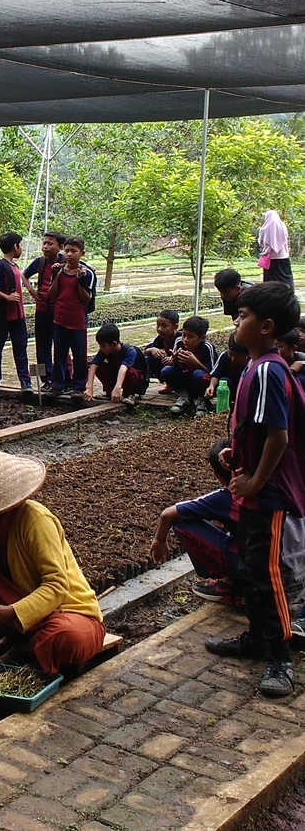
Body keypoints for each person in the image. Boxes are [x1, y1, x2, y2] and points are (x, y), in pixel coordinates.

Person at [205, 281, 305, 698]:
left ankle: (280, 657)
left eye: (242, 315)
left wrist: (255, 479)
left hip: (269, 492)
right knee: (250, 567)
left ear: (266, 326)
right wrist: (235, 452)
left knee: (267, 574)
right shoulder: (254, 366)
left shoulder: (266, 369)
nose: (234, 319)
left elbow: (278, 437)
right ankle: (257, 638)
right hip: (254, 486)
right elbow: (257, 431)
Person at [0, 443, 105, 675]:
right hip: (26, 613)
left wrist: (12, 612)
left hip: (68, 612)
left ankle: (22, 649)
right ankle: (17, 638)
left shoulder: (35, 521)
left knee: (68, 637)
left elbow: (57, 586)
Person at [150, 437, 305, 613]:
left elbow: (168, 514)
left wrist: (159, 540)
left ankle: (235, 587)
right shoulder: (285, 484)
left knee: (183, 520)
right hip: (300, 573)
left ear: (216, 473)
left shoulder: (232, 497)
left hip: (272, 580)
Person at [46, 236, 95, 399]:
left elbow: (86, 299)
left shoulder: (86, 273)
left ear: (82, 253)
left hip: (77, 320)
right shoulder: (58, 270)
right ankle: (57, 385)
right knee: (59, 353)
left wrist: (80, 282)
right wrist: (57, 275)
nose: (69, 255)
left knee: (79, 355)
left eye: (73, 251)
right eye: (67, 251)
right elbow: (52, 294)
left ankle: (78, 386)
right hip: (60, 317)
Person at [0, 232, 32, 393]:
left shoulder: (15, 266)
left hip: (18, 315)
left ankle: (25, 381)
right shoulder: (1, 265)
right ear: (15, 247)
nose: (21, 248)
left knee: (21, 348)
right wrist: (7, 297)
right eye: (21, 245)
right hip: (4, 315)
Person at [23, 232, 65, 392]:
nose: (46, 247)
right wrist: (32, 292)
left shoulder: (64, 261)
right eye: (44, 243)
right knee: (42, 346)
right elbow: (24, 275)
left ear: (59, 247)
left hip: (58, 310)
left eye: (50, 244)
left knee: (60, 345)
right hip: (42, 309)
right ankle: (45, 379)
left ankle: (61, 379)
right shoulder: (39, 262)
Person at [161, 315, 217, 417]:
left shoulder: (207, 347)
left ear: (202, 338)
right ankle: (183, 395)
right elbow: (176, 366)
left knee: (199, 374)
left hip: (199, 381)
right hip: (185, 377)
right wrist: (174, 360)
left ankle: (200, 399)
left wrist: (196, 363)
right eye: (184, 335)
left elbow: (213, 373)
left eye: (190, 336)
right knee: (166, 371)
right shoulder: (179, 342)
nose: (185, 339)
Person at [84, 323, 147, 404]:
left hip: (133, 379)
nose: (101, 349)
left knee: (130, 372)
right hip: (117, 375)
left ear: (113, 344)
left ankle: (129, 394)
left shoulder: (129, 351)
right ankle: (109, 392)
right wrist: (89, 388)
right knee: (100, 367)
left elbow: (123, 369)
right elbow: (93, 366)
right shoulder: (104, 352)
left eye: (103, 346)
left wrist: (118, 387)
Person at [206, 333, 249, 401]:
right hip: (230, 387)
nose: (233, 358)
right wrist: (211, 386)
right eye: (231, 354)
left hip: (244, 390)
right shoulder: (225, 356)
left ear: (247, 354)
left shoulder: (252, 362)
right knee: (224, 381)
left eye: (238, 357)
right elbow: (216, 374)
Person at [258, 209, 294, 290]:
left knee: (270, 281)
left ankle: (271, 296)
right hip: (283, 257)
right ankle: (288, 293)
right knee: (285, 278)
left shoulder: (264, 228)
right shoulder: (282, 226)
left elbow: (261, 242)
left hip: (270, 259)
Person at [144, 309, 180, 384]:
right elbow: (145, 351)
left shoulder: (181, 339)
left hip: (181, 369)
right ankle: (168, 384)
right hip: (169, 366)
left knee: (167, 370)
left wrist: (173, 360)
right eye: (158, 325)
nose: (159, 329)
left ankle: (180, 388)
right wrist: (153, 349)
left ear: (175, 326)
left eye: (164, 326)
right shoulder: (161, 338)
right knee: (149, 359)